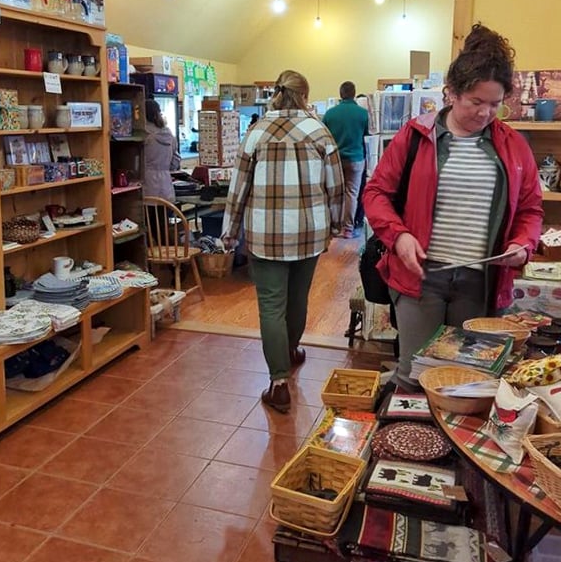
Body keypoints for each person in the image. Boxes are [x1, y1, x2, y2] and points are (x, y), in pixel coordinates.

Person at [363, 24, 543, 390]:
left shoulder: (513, 146)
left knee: (469, 380)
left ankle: (450, 448)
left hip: (481, 283)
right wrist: (398, 237)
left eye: (495, 104)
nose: (485, 113)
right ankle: (403, 444)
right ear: (452, 93)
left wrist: (522, 244)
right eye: (476, 102)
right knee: (414, 376)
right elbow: (376, 193)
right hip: (420, 279)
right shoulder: (415, 136)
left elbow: (530, 209)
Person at [221, 70, 344, 413]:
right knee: (298, 297)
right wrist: (336, 224)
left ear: (276, 93)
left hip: (265, 234)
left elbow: (238, 186)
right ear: (304, 95)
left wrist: (230, 230)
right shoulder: (319, 131)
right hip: (309, 231)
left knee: (271, 306)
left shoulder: (256, 131)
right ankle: (290, 351)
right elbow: (335, 186)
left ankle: (278, 383)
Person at [322, 81, 370, 238]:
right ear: (354, 93)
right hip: (356, 159)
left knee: (334, 193)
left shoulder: (330, 113)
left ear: (340, 93)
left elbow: (324, 137)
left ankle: (333, 226)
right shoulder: (363, 113)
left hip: (335, 159)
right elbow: (367, 135)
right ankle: (348, 229)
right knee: (352, 193)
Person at [144, 98, 181, 201]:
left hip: (148, 189)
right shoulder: (169, 135)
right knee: (164, 217)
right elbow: (175, 163)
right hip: (166, 190)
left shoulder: (144, 136)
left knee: (150, 216)